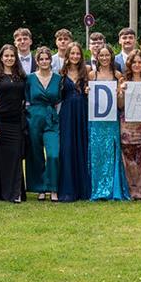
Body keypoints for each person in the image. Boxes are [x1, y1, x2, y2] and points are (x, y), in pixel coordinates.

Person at [88, 45, 129, 201]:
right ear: (97, 57)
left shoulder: (118, 75)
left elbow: (120, 105)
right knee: (97, 154)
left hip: (112, 120)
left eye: (107, 55)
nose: (104, 58)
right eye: (101, 56)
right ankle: (98, 189)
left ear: (112, 57)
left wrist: (120, 94)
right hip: (96, 122)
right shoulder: (92, 75)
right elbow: (90, 101)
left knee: (112, 153)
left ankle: (113, 189)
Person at [0, 44, 26, 203]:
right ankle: (2, 193)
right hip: (1, 121)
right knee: (3, 158)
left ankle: (16, 193)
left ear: (15, 58)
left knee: (16, 156)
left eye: (12, 56)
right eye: (6, 56)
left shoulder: (21, 76)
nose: (9, 58)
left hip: (17, 121)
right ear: (1, 58)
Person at [57, 43, 92, 202]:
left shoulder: (87, 72)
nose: (75, 56)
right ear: (68, 55)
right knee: (67, 148)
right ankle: (68, 189)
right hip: (67, 113)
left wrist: (88, 92)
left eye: (78, 54)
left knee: (82, 147)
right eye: (73, 54)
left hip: (83, 112)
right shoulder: (61, 74)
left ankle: (83, 189)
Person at [27, 47, 62, 200]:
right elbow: (26, 99)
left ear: (50, 60)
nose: (44, 61)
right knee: (36, 154)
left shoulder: (58, 78)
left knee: (53, 154)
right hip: (34, 118)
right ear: (37, 61)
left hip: (52, 119)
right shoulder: (30, 78)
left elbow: (60, 100)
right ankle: (40, 188)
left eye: (47, 58)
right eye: (41, 59)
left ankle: (53, 187)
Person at [119, 52, 141, 199]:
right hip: (128, 125)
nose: (137, 65)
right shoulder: (123, 80)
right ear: (129, 64)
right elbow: (120, 106)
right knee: (128, 158)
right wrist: (121, 93)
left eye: (140, 62)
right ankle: (130, 190)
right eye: (134, 62)